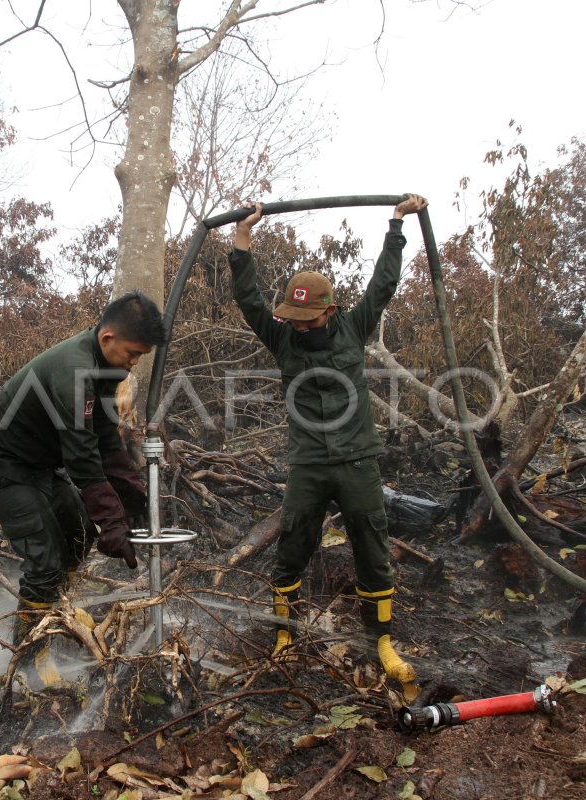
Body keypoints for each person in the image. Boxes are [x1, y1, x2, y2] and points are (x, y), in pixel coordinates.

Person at [229, 194, 428, 698]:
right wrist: (242, 241)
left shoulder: (353, 328)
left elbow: (383, 284)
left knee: (370, 543)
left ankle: (381, 641)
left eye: (309, 319)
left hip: (357, 459)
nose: (300, 326)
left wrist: (397, 224)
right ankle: (283, 635)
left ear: (329, 311)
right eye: (294, 318)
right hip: (308, 465)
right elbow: (249, 301)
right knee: (293, 541)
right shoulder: (283, 341)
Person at [0, 291, 167, 655]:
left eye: (140, 357)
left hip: (39, 466)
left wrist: (135, 503)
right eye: (133, 354)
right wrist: (111, 520)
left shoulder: (105, 367)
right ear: (108, 338)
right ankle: (28, 658)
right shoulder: (74, 371)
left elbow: (106, 442)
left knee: (78, 534)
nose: (134, 364)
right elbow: (81, 458)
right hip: (1, 466)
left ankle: (53, 612)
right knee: (44, 564)